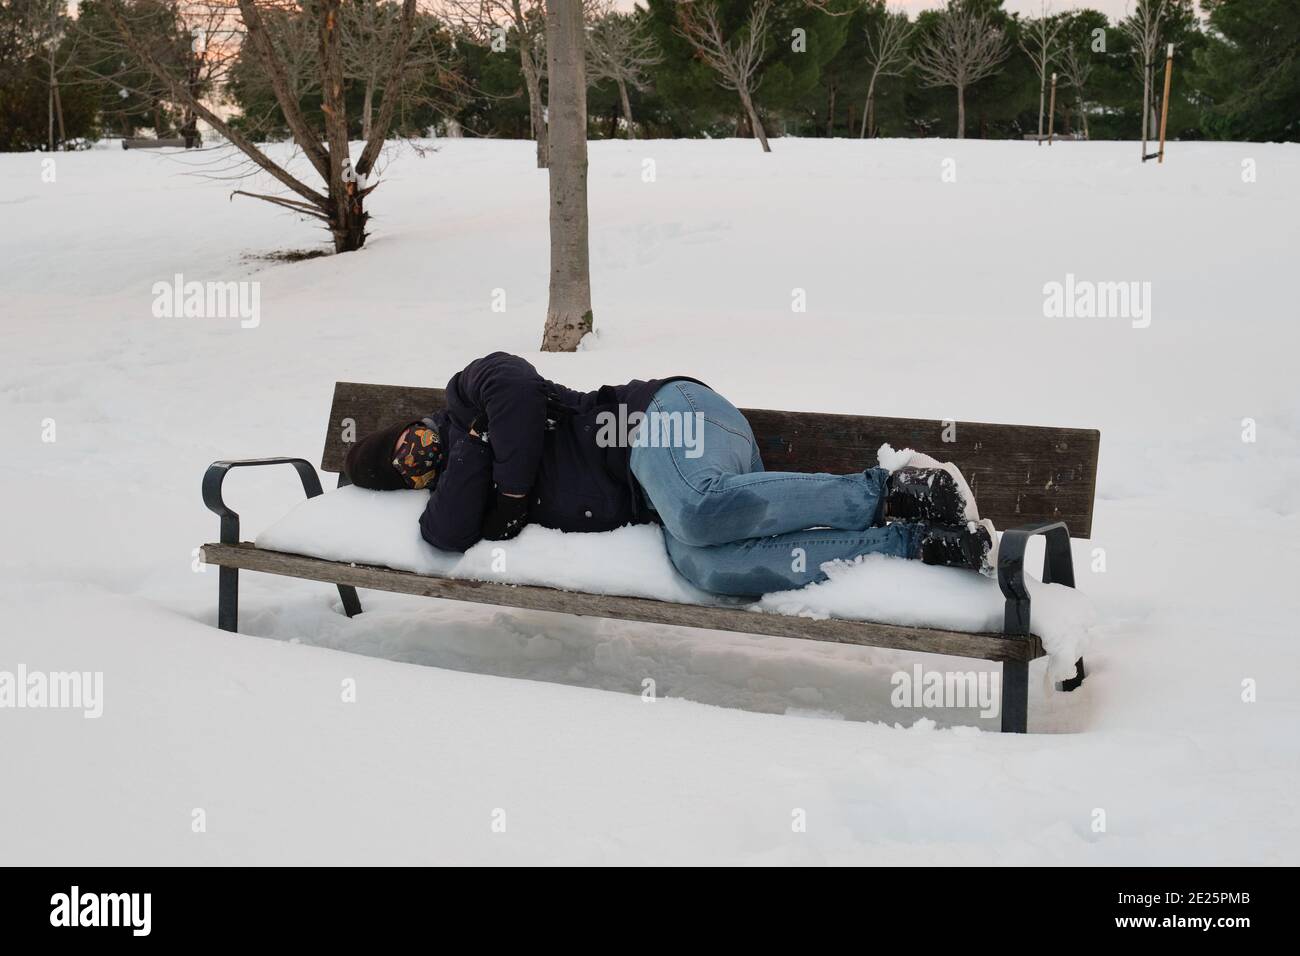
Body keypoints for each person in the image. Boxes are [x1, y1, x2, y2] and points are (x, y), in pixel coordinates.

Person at [344, 352, 994, 597]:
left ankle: (896, 487)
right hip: (691, 485)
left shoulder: (469, 393)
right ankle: (915, 545)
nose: (419, 456)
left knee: (695, 512)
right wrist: (466, 458)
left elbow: (513, 383)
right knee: (708, 569)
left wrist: (497, 473)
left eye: (410, 442)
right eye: (406, 469)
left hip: (667, 417)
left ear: (415, 422)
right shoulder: (465, 465)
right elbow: (446, 536)